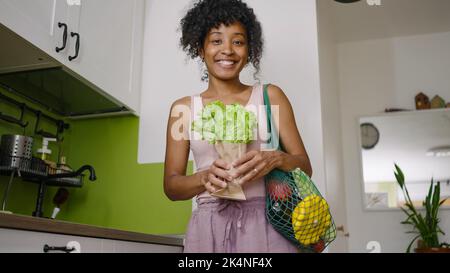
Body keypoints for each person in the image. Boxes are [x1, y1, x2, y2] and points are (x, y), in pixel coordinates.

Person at [163, 0, 312, 253]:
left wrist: (275, 159)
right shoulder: (183, 110)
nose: (228, 50)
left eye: (238, 41)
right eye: (217, 41)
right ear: (200, 48)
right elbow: (172, 186)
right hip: (209, 228)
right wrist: (204, 178)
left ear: (248, 49)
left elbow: (305, 167)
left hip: (268, 224)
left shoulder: (271, 97)